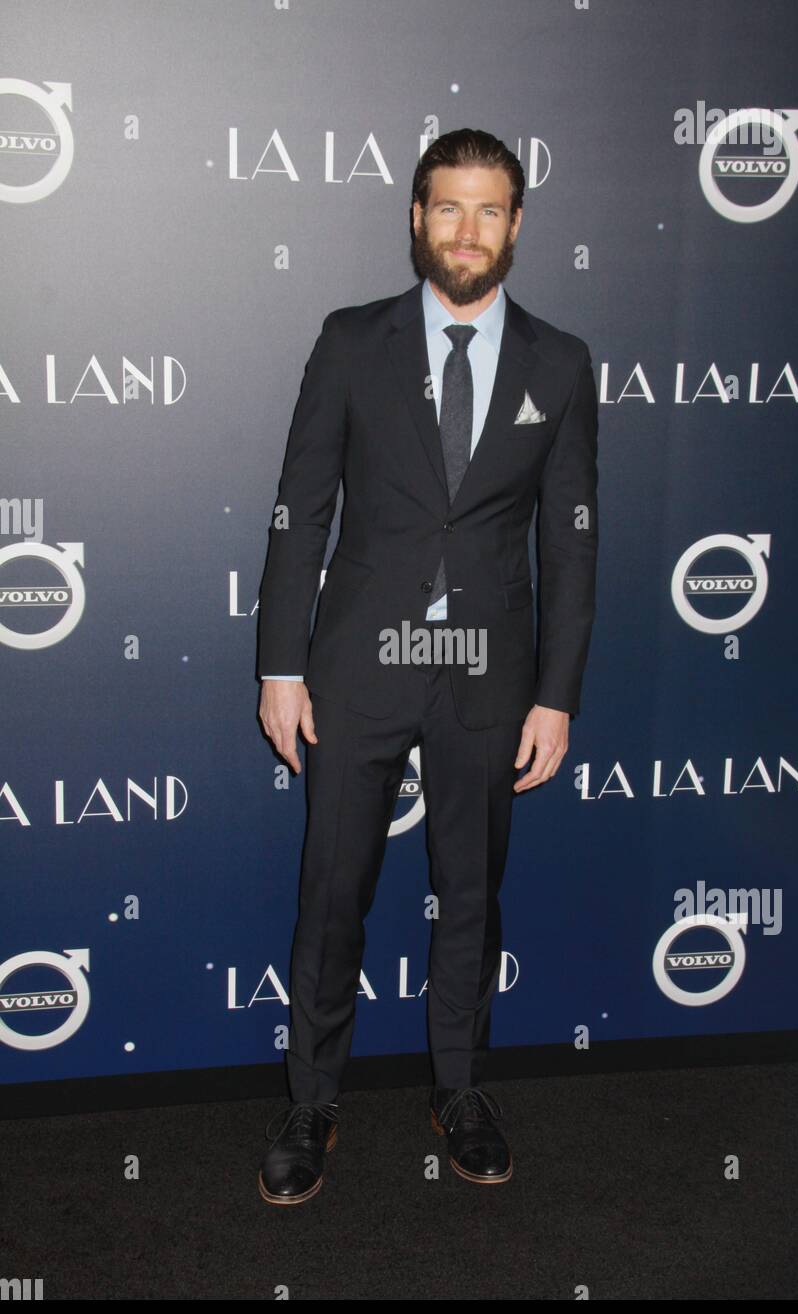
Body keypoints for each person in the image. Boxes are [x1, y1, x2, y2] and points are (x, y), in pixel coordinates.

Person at [255, 127, 599, 1204]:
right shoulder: (350, 340)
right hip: (359, 662)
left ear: (516, 224)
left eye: (488, 210)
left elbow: (571, 541)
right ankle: (310, 1101)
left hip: (489, 674)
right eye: (446, 208)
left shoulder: (559, 360)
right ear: (414, 217)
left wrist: (555, 692)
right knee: (331, 892)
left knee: (468, 894)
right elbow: (300, 509)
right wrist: (278, 665)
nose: (465, 231)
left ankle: (458, 1090)